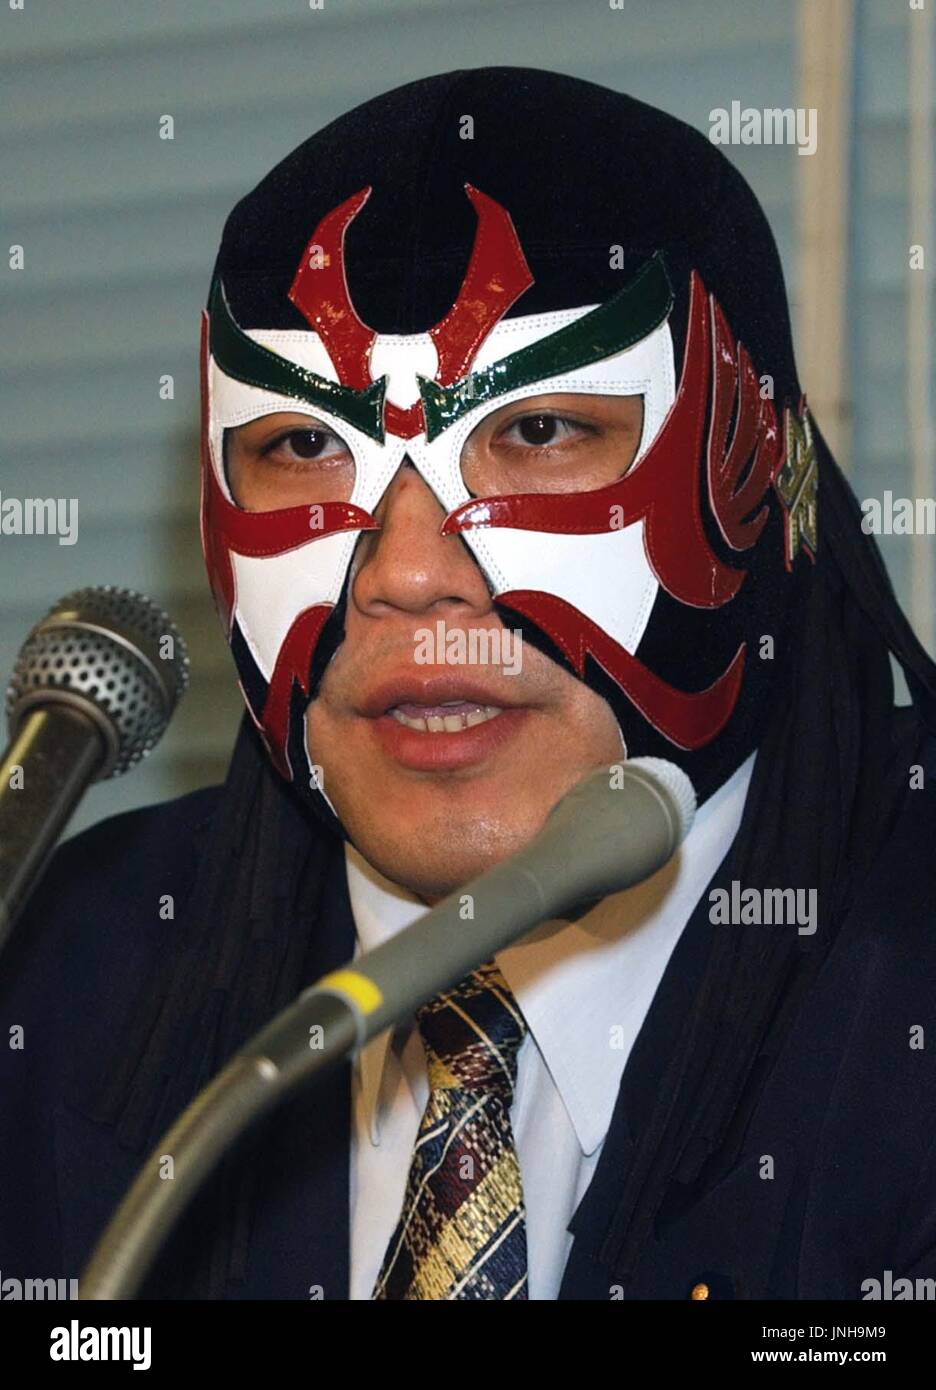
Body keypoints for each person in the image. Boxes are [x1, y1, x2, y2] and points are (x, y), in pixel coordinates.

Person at [2, 66, 935, 1302]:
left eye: (539, 431)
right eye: (302, 447)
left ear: (752, 463)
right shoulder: (69, 979)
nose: (407, 576)